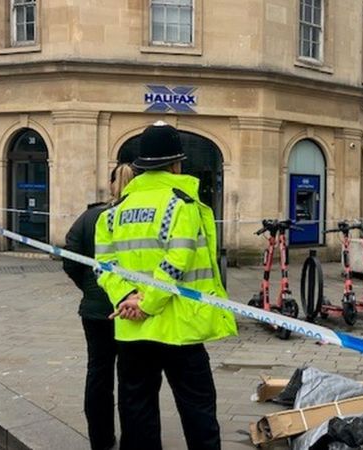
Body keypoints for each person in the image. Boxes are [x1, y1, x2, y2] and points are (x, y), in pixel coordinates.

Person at [95, 122, 237, 450]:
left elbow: (104, 267)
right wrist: (148, 303)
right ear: (176, 164)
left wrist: (127, 297)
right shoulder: (180, 204)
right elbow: (177, 260)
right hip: (179, 329)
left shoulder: (114, 213)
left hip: (132, 330)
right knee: (198, 410)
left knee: (137, 411)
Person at [63, 163, 135, 450]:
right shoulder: (138, 217)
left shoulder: (90, 216)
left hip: (94, 311)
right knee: (132, 378)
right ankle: (134, 438)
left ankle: (101, 440)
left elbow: (70, 258)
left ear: (110, 183)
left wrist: (90, 289)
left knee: (98, 373)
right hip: (133, 310)